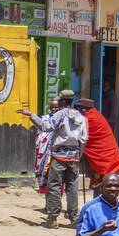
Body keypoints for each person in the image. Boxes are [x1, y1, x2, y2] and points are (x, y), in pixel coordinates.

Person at [21, 89, 87, 228]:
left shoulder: (60, 115)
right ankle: (74, 218)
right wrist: (78, 155)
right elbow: (84, 139)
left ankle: (52, 218)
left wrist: (31, 115)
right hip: (74, 157)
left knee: (54, 186)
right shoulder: (81, 117)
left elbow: (45, 127)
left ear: (62, 101)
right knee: (72, 187)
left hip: (59, 157)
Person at [76, 97, 119, 185]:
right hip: (105, 153)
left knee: (103, 179)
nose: (77, 111)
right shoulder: (95, 114)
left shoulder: (90, 118)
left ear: (84, 109)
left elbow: (81, 135)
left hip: (103, 155)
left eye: (78, 109)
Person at [24, 96, 60, 196]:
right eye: (52, 107)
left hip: (57, 150)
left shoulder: (63, 119)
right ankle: (46, 196)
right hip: (44, 151)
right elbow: (40, 133)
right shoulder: (45, 119)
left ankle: (56, 196)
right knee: (45, 172)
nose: (54, 109)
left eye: (56, 107)